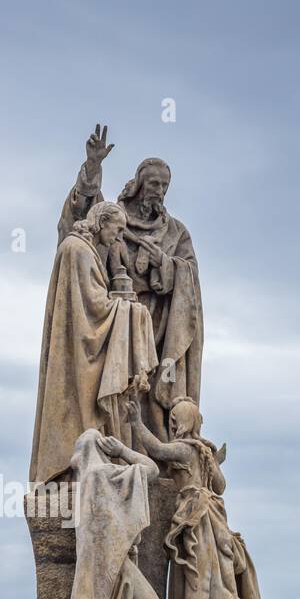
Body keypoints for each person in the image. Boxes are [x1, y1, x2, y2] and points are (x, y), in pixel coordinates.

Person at [57, 124, 203, 439]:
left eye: (165, 185)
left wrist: (164, 264)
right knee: (117, 391)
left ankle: (157, 458)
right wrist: (92, 168)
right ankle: (115, 451)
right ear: (138, 184)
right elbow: (81, 221)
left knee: (150, 393)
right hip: (113, 320)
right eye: (153, 183)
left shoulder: (176, 232)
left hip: (159, 323)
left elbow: (189, 274)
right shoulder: (114, 217)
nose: (159, 191)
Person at [123, 395, 269, 599]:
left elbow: (156, 449)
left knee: (209, 590)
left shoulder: (185, 449)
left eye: (176, 421)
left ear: (186, 422)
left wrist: (135, 422)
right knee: (218, 590)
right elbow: (221, 486)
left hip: (198, 525)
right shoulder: (203, 451)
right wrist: (211, 465)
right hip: (212, 522)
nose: (174, 426)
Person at [30, 201, 157, 482]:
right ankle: (75, 465)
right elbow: (94, 308)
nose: (119, 237)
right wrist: (131, 310)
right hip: (81, 352)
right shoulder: (78, 250)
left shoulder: (80, 249)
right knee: (82, 414)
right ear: (101, 222)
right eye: (118, 228)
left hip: (79, 350)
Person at [59, 430, 164, 599]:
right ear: (101, 448)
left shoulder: (84, 483)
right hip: (114, 562)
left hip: (95, 565)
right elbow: (152, 470)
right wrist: (122, 452)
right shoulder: (105, 474)